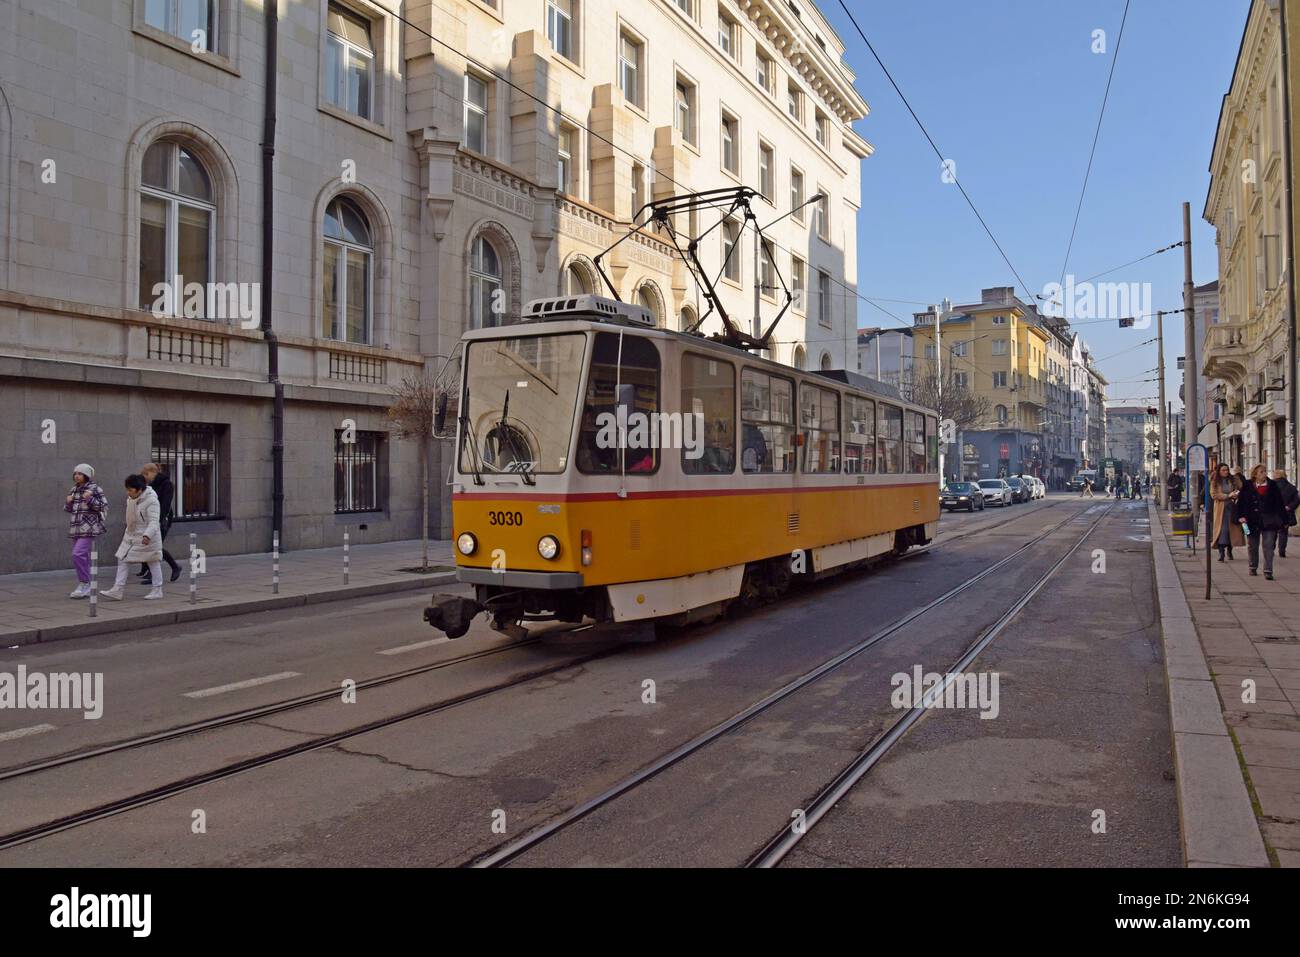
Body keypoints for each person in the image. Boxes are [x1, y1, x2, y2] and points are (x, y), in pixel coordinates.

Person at [99, 474, 165, 601]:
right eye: (127, 489)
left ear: (139, 489)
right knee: (123, 558)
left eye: (130, 490)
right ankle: (118, 589)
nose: (128, 492)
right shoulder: (131, 499)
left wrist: (147, 535)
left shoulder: (151, 501)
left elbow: (154, 521)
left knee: (153, 560)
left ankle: (157, 589)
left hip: (146, 536)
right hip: (131, 535)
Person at [64, 463, 108, 599]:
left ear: (86, 475)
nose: (77, 476)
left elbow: (103, 506)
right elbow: (69, 509)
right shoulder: (74, 490)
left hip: (89, 527)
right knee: (83, 557)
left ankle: (85, 583)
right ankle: (87, 585)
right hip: (76, 527)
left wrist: (90, 499)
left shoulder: (95, 488)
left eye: (80, 474)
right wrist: (69, 502)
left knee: (77, 554)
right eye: (75, 473)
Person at [1236, 464, 1286, 580]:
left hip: (1269, 521)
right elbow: (1241, 502)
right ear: (1255, 474)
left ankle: (1268, 570)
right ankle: (1252, 566)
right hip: (1250, 521)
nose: (1264, 474)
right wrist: (1240, 516)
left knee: (1268, 545)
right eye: (1261, 472)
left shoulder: (1272, 485)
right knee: (1252, 545)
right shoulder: (1247, 485)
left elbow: (1279, 503)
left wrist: (1283, 520)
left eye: (1265, 471)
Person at [136, 463, 180, 582]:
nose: (145, 477)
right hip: (150, 519)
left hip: (161, 520)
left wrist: (158, 521)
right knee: (150, 546)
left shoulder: (167, 484)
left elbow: (165, 504)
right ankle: (150, 572)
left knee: (156, 547)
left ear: (151, 473)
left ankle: (174, 567)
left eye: (146, 474)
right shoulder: (150, 485)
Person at [1210, 463, 1244, 562]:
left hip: (1232, 508)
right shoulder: (1215, 482)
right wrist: (1228, 495)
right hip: (1221, 509)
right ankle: (1221, 553)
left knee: (1231, 531)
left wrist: (1236, 492)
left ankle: (1230, 550)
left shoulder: (1233, 479)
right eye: (1223, 470)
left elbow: (1241, 488)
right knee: (1222, 530)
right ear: (1219, 471)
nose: (1226, 472)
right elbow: (1214, 495)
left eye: (1227, 470)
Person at [1273, 469, 1300, 558]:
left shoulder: (1271, 486)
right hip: (1286, 513)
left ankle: (1271, 549)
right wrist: (1289, 507)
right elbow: (1296, 500)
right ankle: (1282, 551)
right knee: (1283, 532)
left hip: (1274, 513)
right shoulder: (1291, 487)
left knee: (1272, 532)